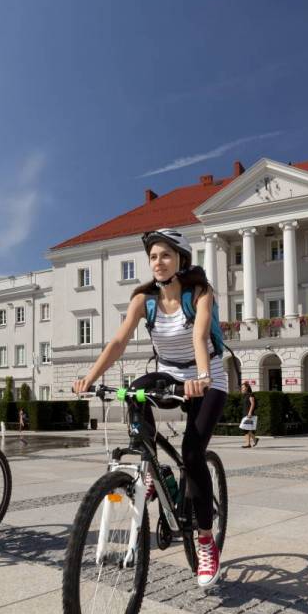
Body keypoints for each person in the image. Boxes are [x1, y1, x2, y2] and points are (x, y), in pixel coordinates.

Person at [73, 229, 228, 587]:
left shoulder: (199, 294)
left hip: (207, 378)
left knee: (192, 452)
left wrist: (202, 376)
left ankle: (206, 540)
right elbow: (119, 340)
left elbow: (199, 336)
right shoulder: (145, 300)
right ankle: (152, 470)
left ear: (181, 260)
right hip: (168, 374)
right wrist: (89, 378)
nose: (158, 262)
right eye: (154, 257)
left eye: (166, 256)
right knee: (134, 393)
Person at [240, 382, 258, 448]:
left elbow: (253, 404)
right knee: (246, 428)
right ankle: (253, 440)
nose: (242, 388)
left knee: (245, 428)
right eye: (242, 387)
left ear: (247, 388)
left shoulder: (250, 394)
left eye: (243, 387)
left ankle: (249, 443)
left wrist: (250, 412)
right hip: (245, 413)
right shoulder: (245, 395)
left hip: (249, 414)